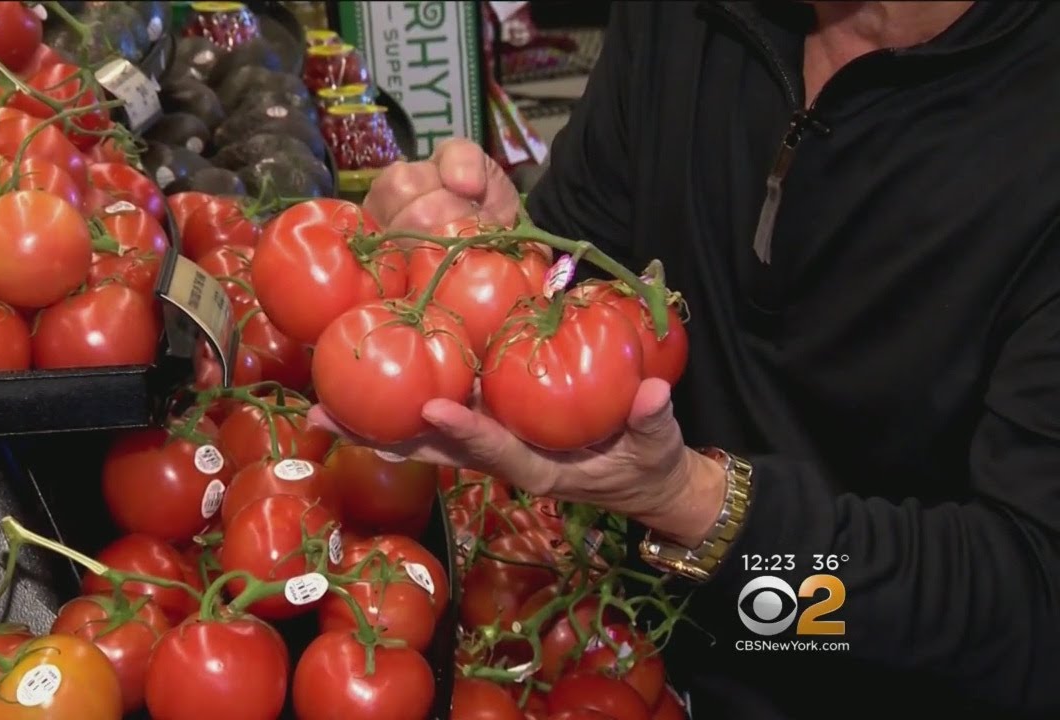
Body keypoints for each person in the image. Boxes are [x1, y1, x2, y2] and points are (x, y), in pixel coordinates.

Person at [306, 2, 1060, 718]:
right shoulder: (681, 18)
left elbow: (1033, 618)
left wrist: (699, 511)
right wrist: (513, 261)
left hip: (880, 679)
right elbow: (585, 263)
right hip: (631, 651)